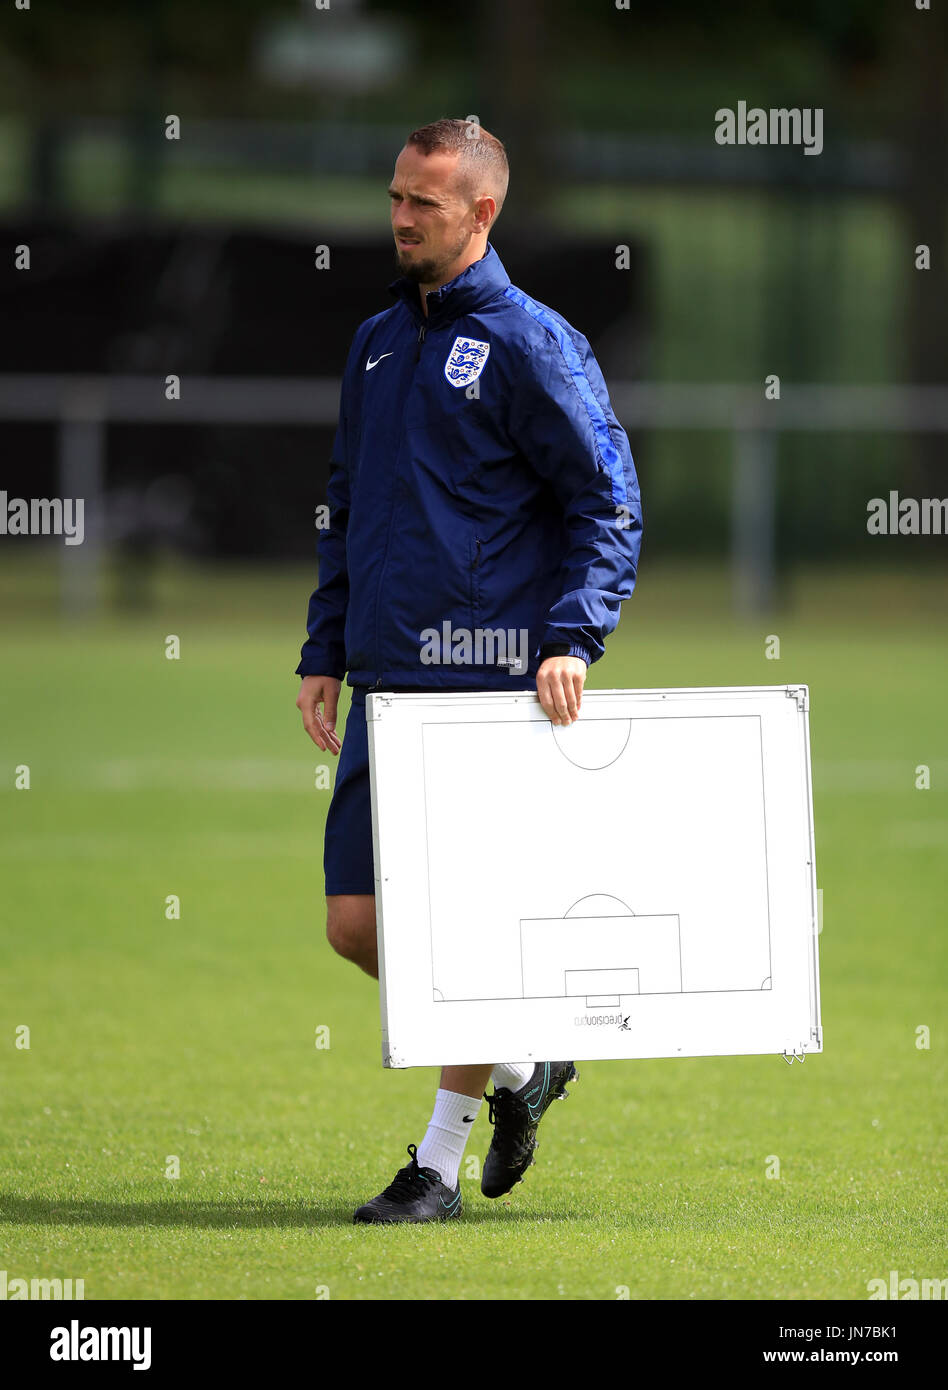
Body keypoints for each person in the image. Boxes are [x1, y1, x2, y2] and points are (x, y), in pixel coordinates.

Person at [296, 117, 642, 1223]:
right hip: (384, 688)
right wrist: (324, 650)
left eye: (425, 203)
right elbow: (347, 508)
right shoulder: (376, 342)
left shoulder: (534, 342)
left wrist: (571, 636)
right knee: (357, 924)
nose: (401, 217)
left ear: (481, 213)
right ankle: (525, 1063)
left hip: (489, 690)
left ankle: (434, 1169)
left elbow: (608, 500)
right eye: (396, 196)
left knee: (462, 936)